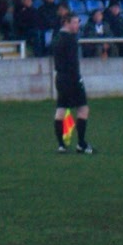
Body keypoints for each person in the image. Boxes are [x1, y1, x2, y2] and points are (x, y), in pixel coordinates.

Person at [51, 9, 93, 155]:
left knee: (61, 109)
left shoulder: (56, 37)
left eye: (77, 22)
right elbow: (73, 63)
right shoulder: (70, 40)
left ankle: (61, 145)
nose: (77, 25)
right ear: (66, 23)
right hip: (72, 78)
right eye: (74, 22)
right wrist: (78, 79)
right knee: (83, 109)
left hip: (60, 77)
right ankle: (81, 144)